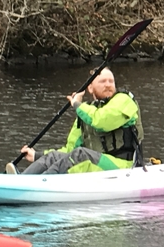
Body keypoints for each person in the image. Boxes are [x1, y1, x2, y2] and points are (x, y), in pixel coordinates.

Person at [9, 67, 143, 175]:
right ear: (90, 88)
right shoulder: (86, 112)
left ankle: (42, 183)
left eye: (111, 81)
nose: (108, 85)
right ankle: (22, 179)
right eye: (102, 81)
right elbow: (70, 149)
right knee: (55, 156)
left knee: (80, 155)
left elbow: (102, 121)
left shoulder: (124, 100)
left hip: (124, 166)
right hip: (98, 166)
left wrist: (77, 105)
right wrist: (37, 155)